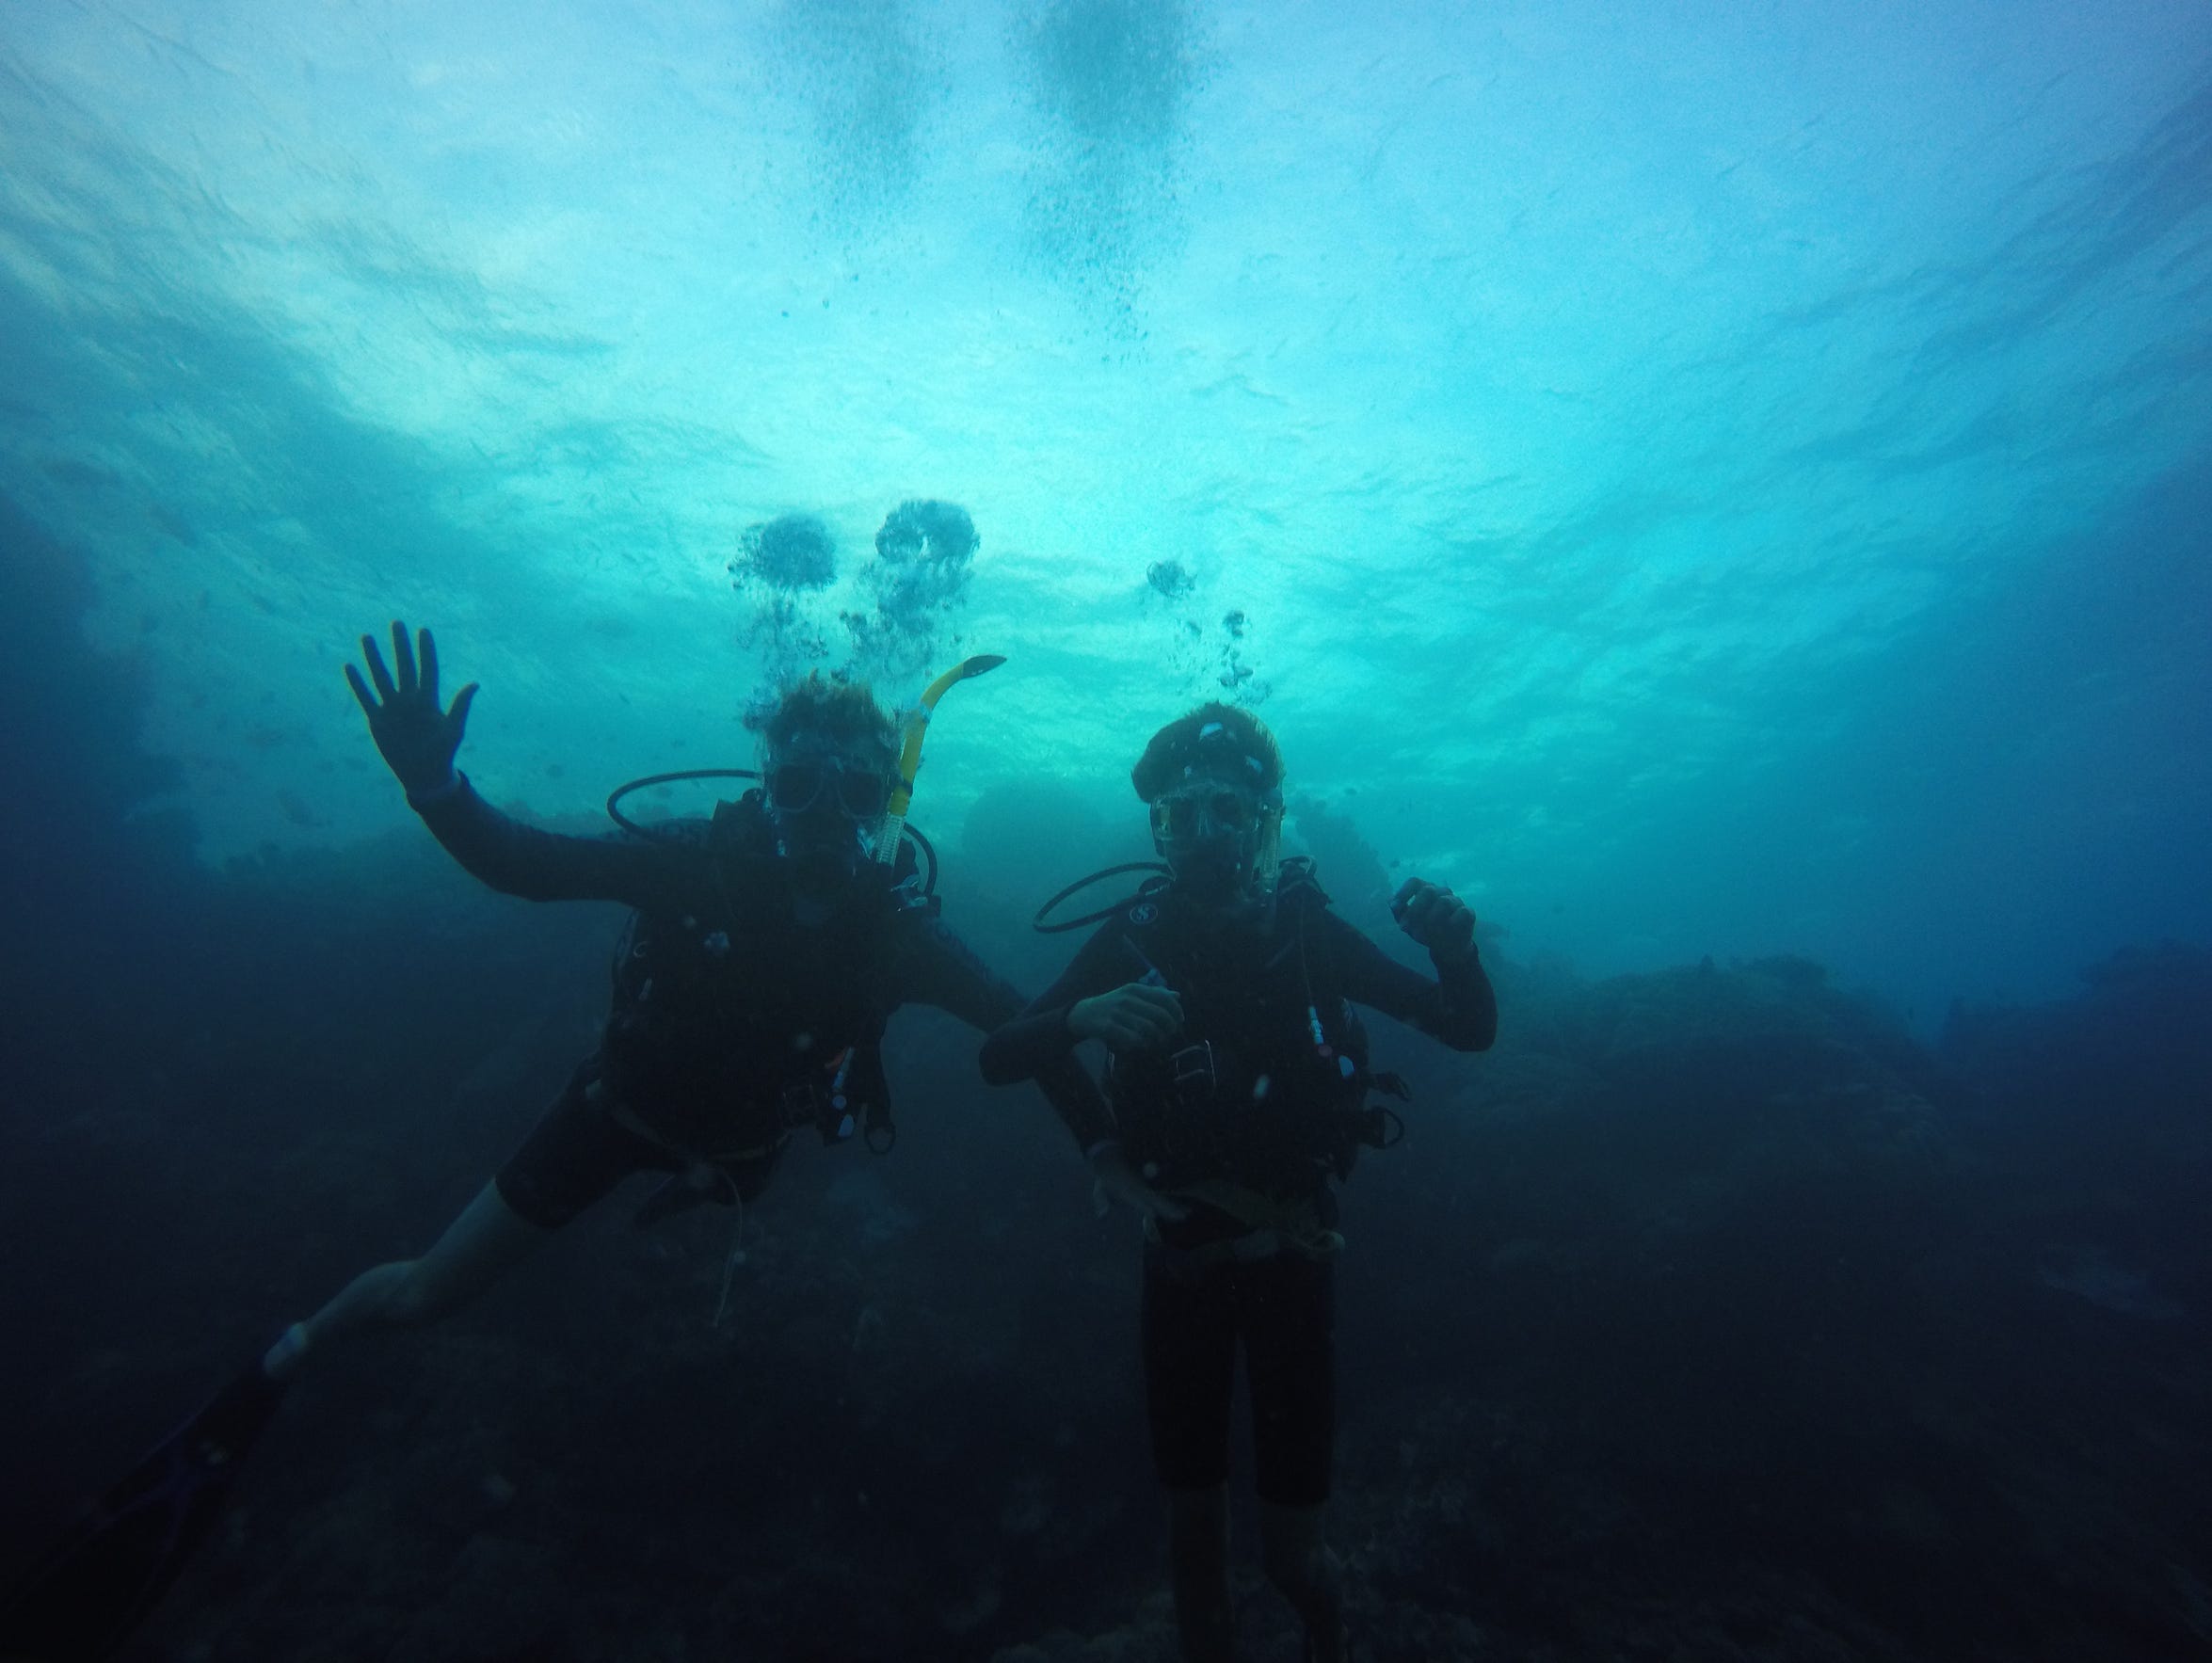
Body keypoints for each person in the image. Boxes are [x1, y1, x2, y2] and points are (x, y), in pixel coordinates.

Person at [1, 619, 1111, 1663]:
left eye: (853, 788)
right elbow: (524, 865)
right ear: (765, 786)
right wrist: (432, 783)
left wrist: (1104, 1142)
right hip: (610, 1117)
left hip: (742, 1151)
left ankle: (700, 1190)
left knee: (723, 1190)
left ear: (881, 803)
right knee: (425, 1294)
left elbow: (1023, 1027)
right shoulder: (695, 862)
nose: (821, 811)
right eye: (796, 782)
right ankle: (284, 1359)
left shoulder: (894, 929)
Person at [980, 704, 1497, 1663]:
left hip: (1292, 1271)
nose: (1203, 834)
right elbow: (1001, 1055)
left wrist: (1455, 951)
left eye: (1226, 810)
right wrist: (1085, 1043)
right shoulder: (1129, 939)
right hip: (1177, 1275)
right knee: (1194, 1549)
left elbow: (1463, 1027)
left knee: (1295, 1561)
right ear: (1157, 830)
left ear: (1266, 820)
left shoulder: (1306, 935)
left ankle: (1325, 1639)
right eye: (1180, 815)